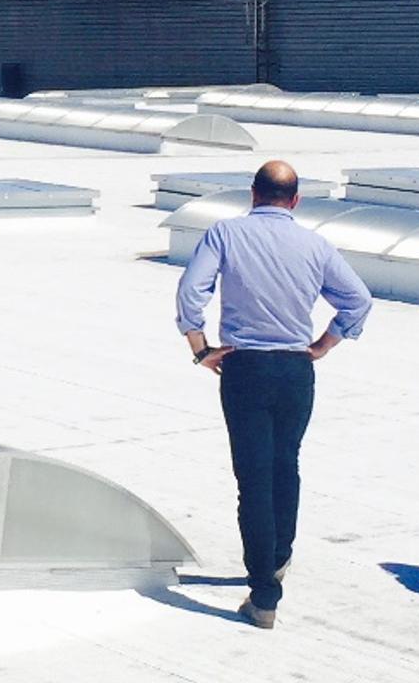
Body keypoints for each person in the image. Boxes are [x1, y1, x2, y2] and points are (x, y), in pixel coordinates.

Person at [174, 160, 372, 630]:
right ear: (296, 200)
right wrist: (324, 344)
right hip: (295, 369)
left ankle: (264, 594)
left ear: (253, 194)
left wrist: (199, 347)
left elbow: (190, 292)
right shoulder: (316, 245)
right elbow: (358, 300)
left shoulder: (225, 234)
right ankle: (279, 557)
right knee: (287, 465)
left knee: (254, 478)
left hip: (243, 367)